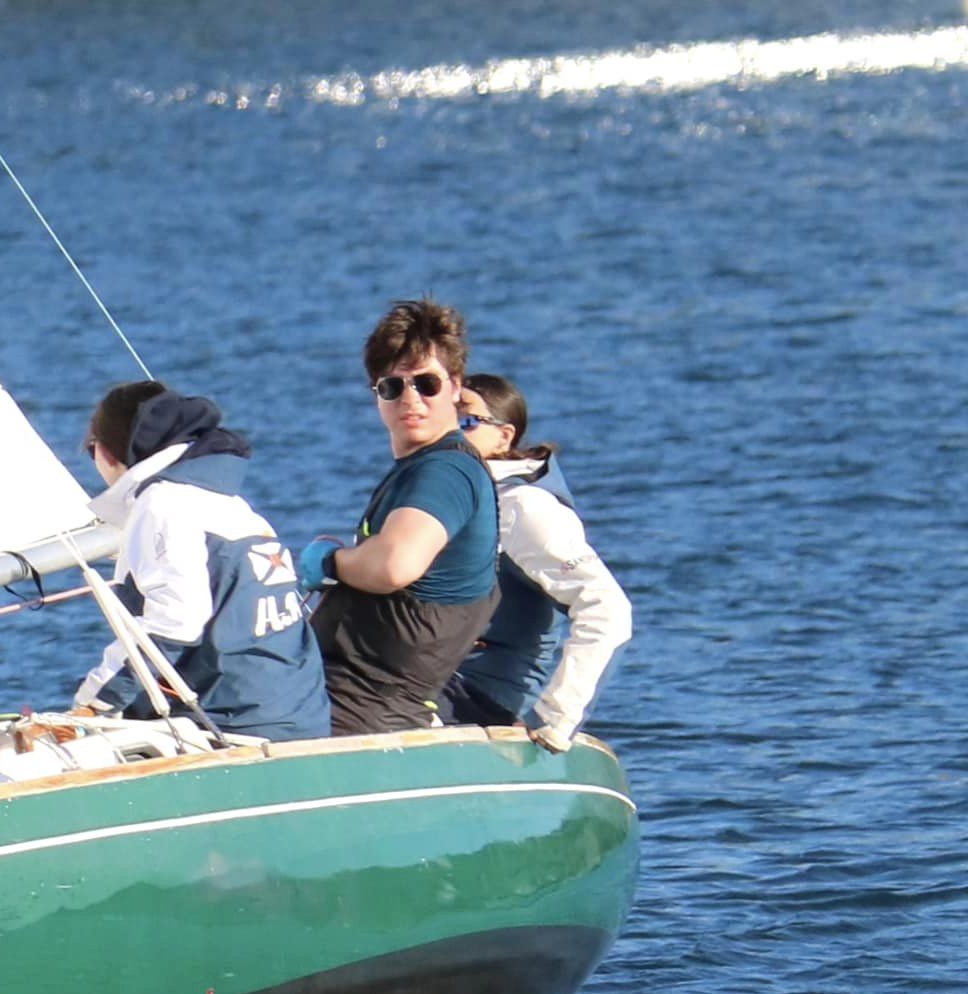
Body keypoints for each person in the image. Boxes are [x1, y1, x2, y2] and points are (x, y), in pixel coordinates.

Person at [72, 381, 330, 742]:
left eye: (91, 450)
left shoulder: (161, 503)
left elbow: (175, 622)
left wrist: (93, 704)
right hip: (304, 718)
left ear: (106, 452)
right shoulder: (231, 503)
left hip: (236, 728)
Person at [298, 299, 499, 735]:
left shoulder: (445, 471)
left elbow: (394, 566)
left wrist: (331, 562)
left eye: (426, 383)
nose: (411, 399)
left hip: (358, 714)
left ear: (454, 387)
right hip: (335, 696)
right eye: (393, 387)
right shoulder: (421, 469)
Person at [440, 374, 632, 753]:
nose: (449, 432)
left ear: (504, 437)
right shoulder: (439, 498)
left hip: (478, 699)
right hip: (426, 681)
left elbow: (607, 610)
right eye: (443, 418)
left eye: (465, 421)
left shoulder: (524, 508)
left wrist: (553, 719)